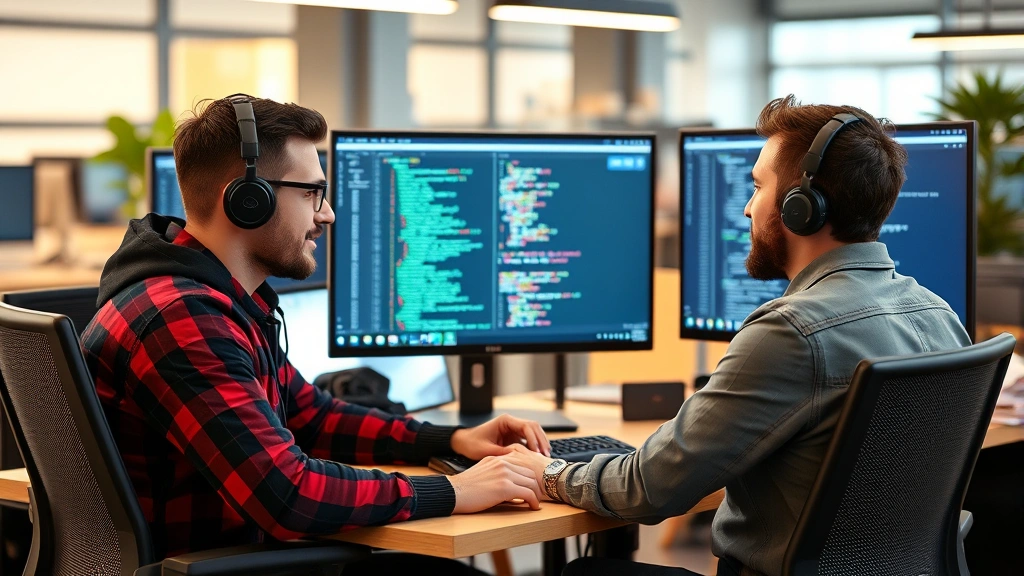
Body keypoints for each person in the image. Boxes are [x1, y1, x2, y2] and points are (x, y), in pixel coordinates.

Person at [502, 96, 973, 576]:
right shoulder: (940, 316)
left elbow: (649, 488)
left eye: (757, 187)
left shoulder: (790, 332)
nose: (747, 208)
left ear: (801, 208)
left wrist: (550, 473)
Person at [80, 94, 549, 570]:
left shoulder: (217, 301)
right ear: (247, 201)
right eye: (310, 193)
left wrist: (448, 440)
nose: (326, 215)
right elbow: (287, 496)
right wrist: (453, 489)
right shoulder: (180, 318)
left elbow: (311, 416)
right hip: (219, 566)